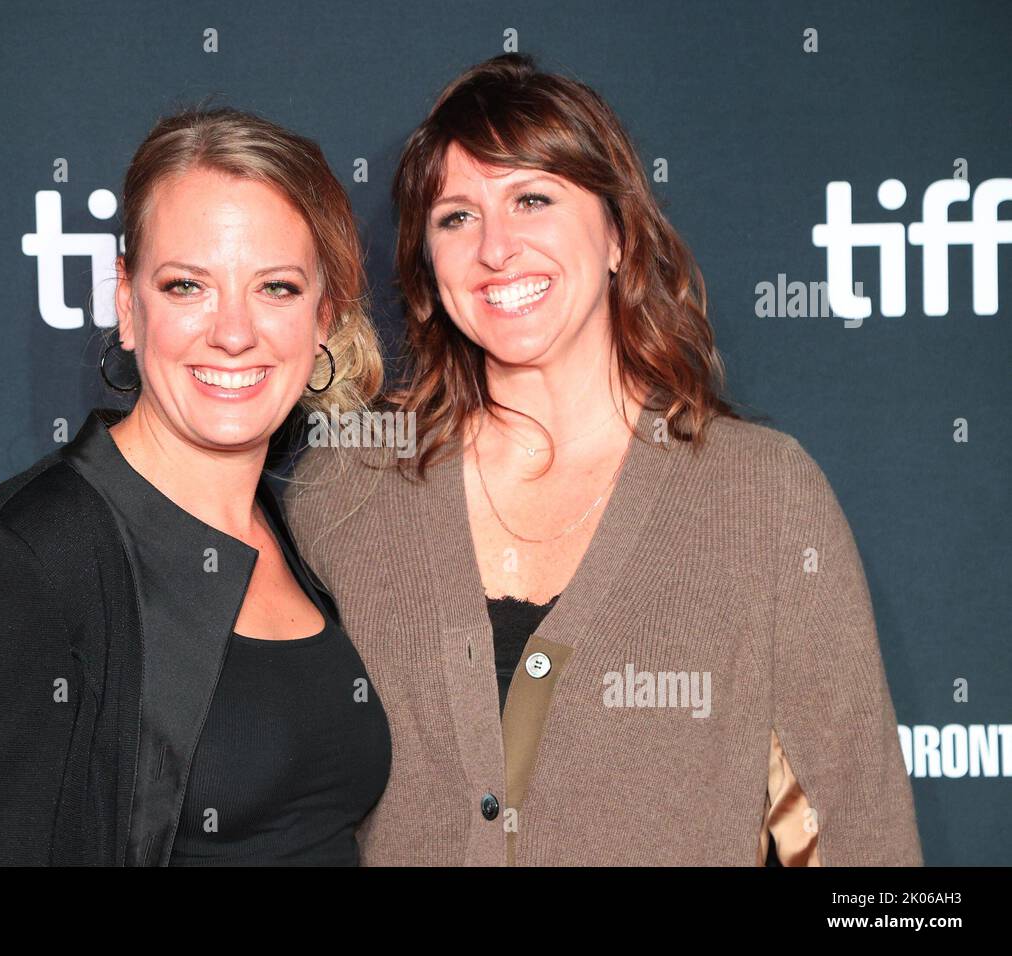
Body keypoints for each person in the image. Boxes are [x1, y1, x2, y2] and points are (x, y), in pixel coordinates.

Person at [284, 54, 923, 866]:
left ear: (618, 234)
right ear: (427, 264)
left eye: (533, 199)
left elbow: (858, 838)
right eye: (456, 218)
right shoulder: (347, 487)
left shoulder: (761, 495)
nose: (496, 250)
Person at [0, 106, 391, 865]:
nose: (233, 332)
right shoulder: (39, 553)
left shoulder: (301, 524)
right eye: (186, 286)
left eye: (276, 288)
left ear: (323, 320)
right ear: (126, 305)